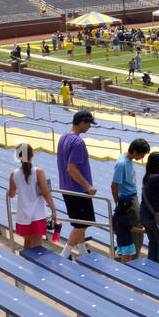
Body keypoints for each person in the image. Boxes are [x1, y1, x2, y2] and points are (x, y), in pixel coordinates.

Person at [57, 110, 98, 259]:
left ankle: (82, 250)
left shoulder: (63, 137)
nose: (89, 127)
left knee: (80, 223)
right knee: (82, 224)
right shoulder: (78, 142)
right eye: (88, 124)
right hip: (77, 189)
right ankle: (65, 253)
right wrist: (88, 186)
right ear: (82, 123)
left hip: (66, 187)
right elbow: (71, 168)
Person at [7, 143, 57, 251]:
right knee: (36, 246)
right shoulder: (38, 172)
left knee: (27, 242)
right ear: (32, 154)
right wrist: (53, 210)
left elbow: (11, 194)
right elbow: (46, 192)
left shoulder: (14, 173)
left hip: (23, 214)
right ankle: (34, 266)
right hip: (37, 214)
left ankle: (26, 265)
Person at [108, 138, 151, 259]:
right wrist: (118, 204)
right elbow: (114, 185)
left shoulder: (128, 159)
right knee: (135, 231)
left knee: (133, 229)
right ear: (135, 151)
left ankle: (126, 256)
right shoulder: (121, 164)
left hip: (132, 197)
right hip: (128, 200)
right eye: (142, 154)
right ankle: (133, 258)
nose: (142, 157)